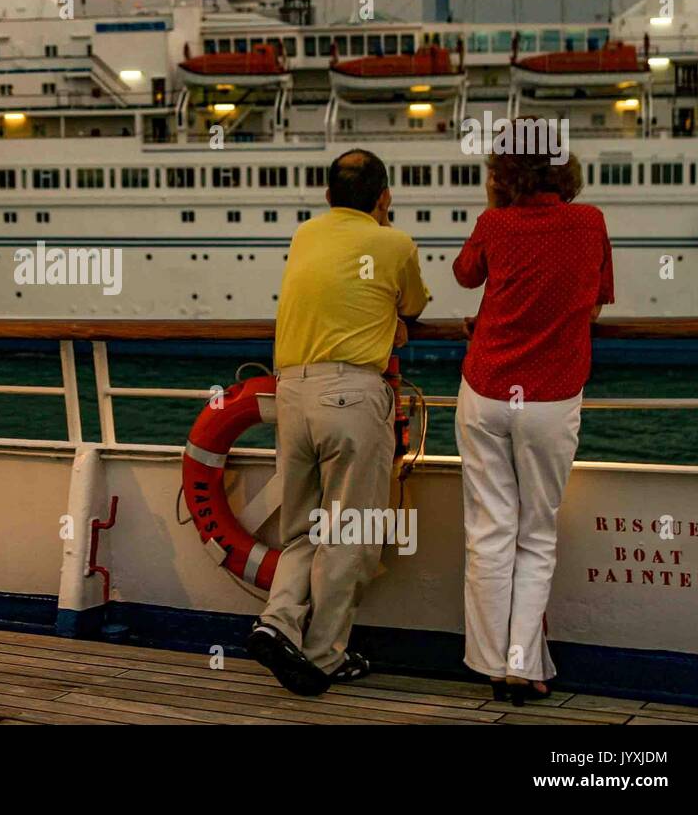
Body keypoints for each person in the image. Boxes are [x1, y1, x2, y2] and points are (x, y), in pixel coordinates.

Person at [248, 149, 430, 696]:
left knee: (301, 526)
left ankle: (276, 621)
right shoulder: (394, 241)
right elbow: (413, 305)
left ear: (327, 197)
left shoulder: (305, 234)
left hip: (293, 391)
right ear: (384, 198)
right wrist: (393, 323)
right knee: (349, 533)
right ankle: (324, 656)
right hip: (351, 396)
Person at [453, 141, 613, 705]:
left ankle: (493, 664)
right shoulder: (589, 222)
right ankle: (522, 664)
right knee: (536, 536)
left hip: (487, 389)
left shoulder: (494, 223)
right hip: (550, 399)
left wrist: (495, 206)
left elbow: (465, 275)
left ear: (502, 176)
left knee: (490, 531)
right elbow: (594, 304)